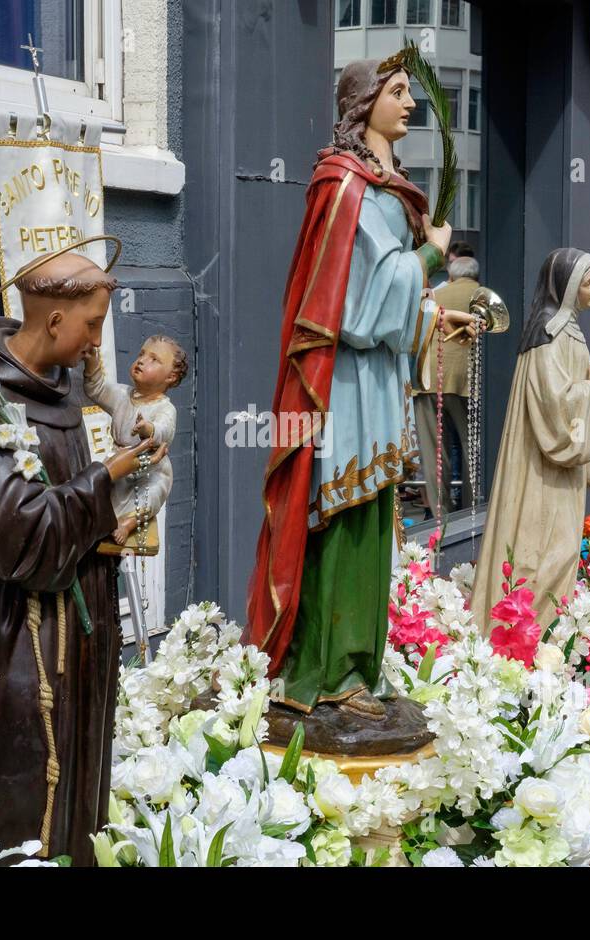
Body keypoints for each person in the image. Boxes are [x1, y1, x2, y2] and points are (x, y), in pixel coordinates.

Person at [245, 52, 476, 719]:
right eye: (397, 91)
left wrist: (433, 313)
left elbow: (385, 296)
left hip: (375, 378)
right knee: (341, 514)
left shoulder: (383, 186)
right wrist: (432, 254)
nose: (410, 103)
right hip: (340, 383)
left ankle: (358, 666)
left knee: (374, 516)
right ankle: (321, 670)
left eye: (411, 93)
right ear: (364, 101)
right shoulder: (344, 185)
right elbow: (349, 310)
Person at [0, 252, 165, 866]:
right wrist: (107, 474)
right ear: (55, 320)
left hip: (84, 628)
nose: (97, 340)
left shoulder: (59, 396)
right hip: (17, 640)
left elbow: (68, 504)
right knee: (17, 786)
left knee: (78, 785)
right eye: (92, 324)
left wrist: (120, 513)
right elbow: (20, 538)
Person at [472, 248, 590, 629]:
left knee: (560, 548)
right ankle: (522, 634)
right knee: (547, 549)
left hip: (560, 470)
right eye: (588, 282)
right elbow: (552, 406)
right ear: (564, 288)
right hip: (540, 473)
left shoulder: (567, 330)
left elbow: (561, 406)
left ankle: (543, 636)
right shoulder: (549, 334)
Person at [83, 335, 185, 546]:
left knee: (152, 494)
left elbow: (164, 430)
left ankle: (128, 524)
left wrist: (149, 429)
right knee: (99, 485)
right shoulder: (122, 394)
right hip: (119, 462)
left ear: (171, 377)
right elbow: (97, 389)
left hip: (149, 470)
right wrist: (92, 366)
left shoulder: (165, 408)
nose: (142, 360)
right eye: (141, 354)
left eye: (154, 359)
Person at [413, 255, 480, 514]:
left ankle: (440, 513)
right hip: (464, 381)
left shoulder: (437, 296)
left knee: (434, 453)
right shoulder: (481, 294)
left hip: (428, 379)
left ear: (451, 275)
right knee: (470, 448)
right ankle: (471, 508)